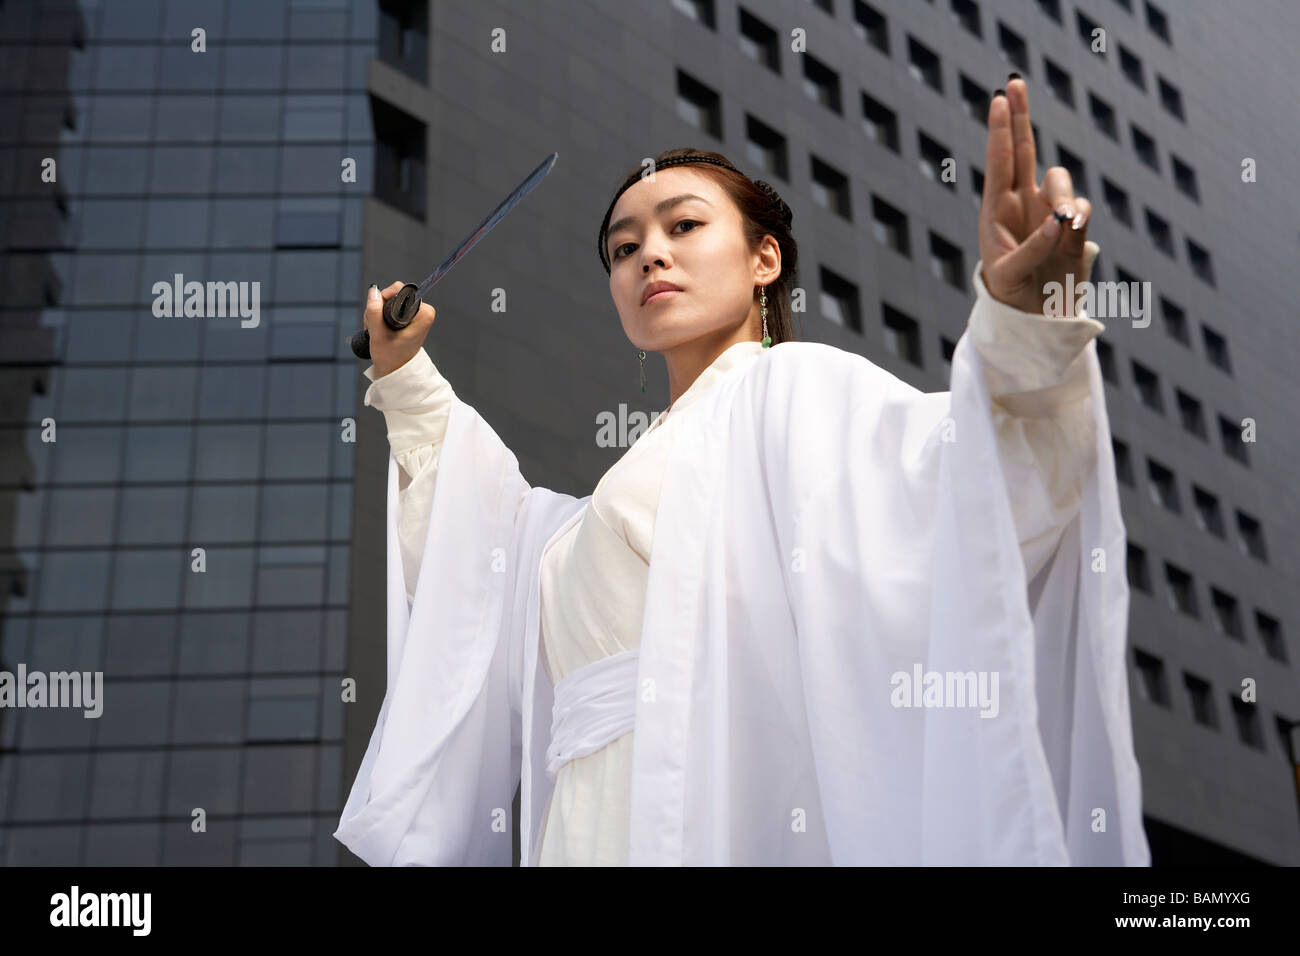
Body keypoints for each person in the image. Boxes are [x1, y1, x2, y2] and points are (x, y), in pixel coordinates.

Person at [334, 77, 1151, 866]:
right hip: (583, 825)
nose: (649, 254)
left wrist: (1021, 327)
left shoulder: (795, 392)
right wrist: (406, 377)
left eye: (682, 226)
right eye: (624, 248)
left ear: (765, 259)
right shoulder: (586, 521)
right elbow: (489, 552)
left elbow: (968, 494)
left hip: (719, 806)